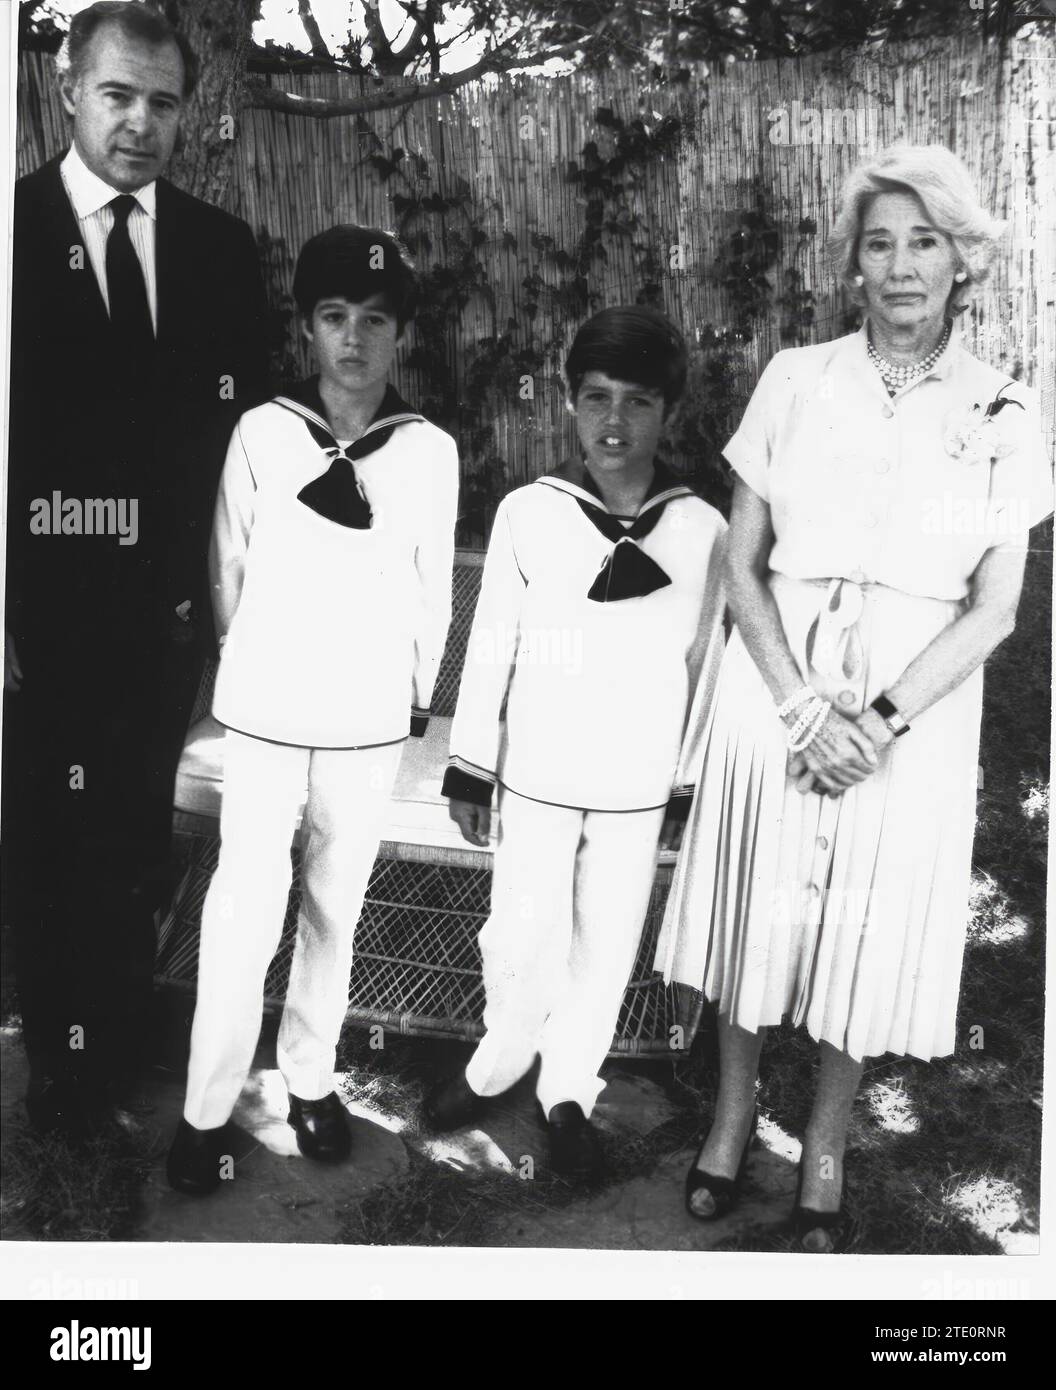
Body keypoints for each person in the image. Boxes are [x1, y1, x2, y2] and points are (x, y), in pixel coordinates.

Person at [655, 145, 1053, 1250]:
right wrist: (797, 708)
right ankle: (733, 1114)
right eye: (880, 243)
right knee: (756, 909)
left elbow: (996, 607)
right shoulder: (795, 378)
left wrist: (875, 725)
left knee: (862, 930)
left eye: (925, 241)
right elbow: (741, 565)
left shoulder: (1005, 409)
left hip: (910, 718)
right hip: (776, 688)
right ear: (855, 264)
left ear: (963, 260)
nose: (902, 265)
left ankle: (826, 1141)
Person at [3, 1, 270, 1135]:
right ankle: (61, 1063)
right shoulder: (9, 232)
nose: (139, 123)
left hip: (163, 616)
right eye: (117, 94)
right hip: (36, 616)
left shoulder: (218, 250)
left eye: (163, 102)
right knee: (43, 836)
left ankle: (110, 1033)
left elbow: (248, 444)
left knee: (130, 833)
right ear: (67, 90)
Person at [166, 225, 459, 1196]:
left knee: (336, 900)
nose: (354, 338)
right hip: (266, 708)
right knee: (243, 902)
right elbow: (228, 563)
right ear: (306, 326)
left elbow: (431, 591)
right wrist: (249, 671)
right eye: (335, 316)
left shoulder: (427, 452)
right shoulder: (263, 431)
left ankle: (310, 1077)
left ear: (400, 334)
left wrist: (411, 697)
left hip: (366, 718)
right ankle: (207, 1107)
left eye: (375, 320)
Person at [424, 306, 728, 1181]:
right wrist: (472, 766)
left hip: (637, 783)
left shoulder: (701, 530)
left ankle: (568, 1091)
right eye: (596, 398)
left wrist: (685, 782)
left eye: (639, 402)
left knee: (607, 942)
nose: (614, 422)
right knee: (520, 933)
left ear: (669, 411)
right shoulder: (531, 513)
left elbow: (706, 667)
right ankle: (499, 1059)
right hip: (539, 773)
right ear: (567, 404)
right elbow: (491, 644)